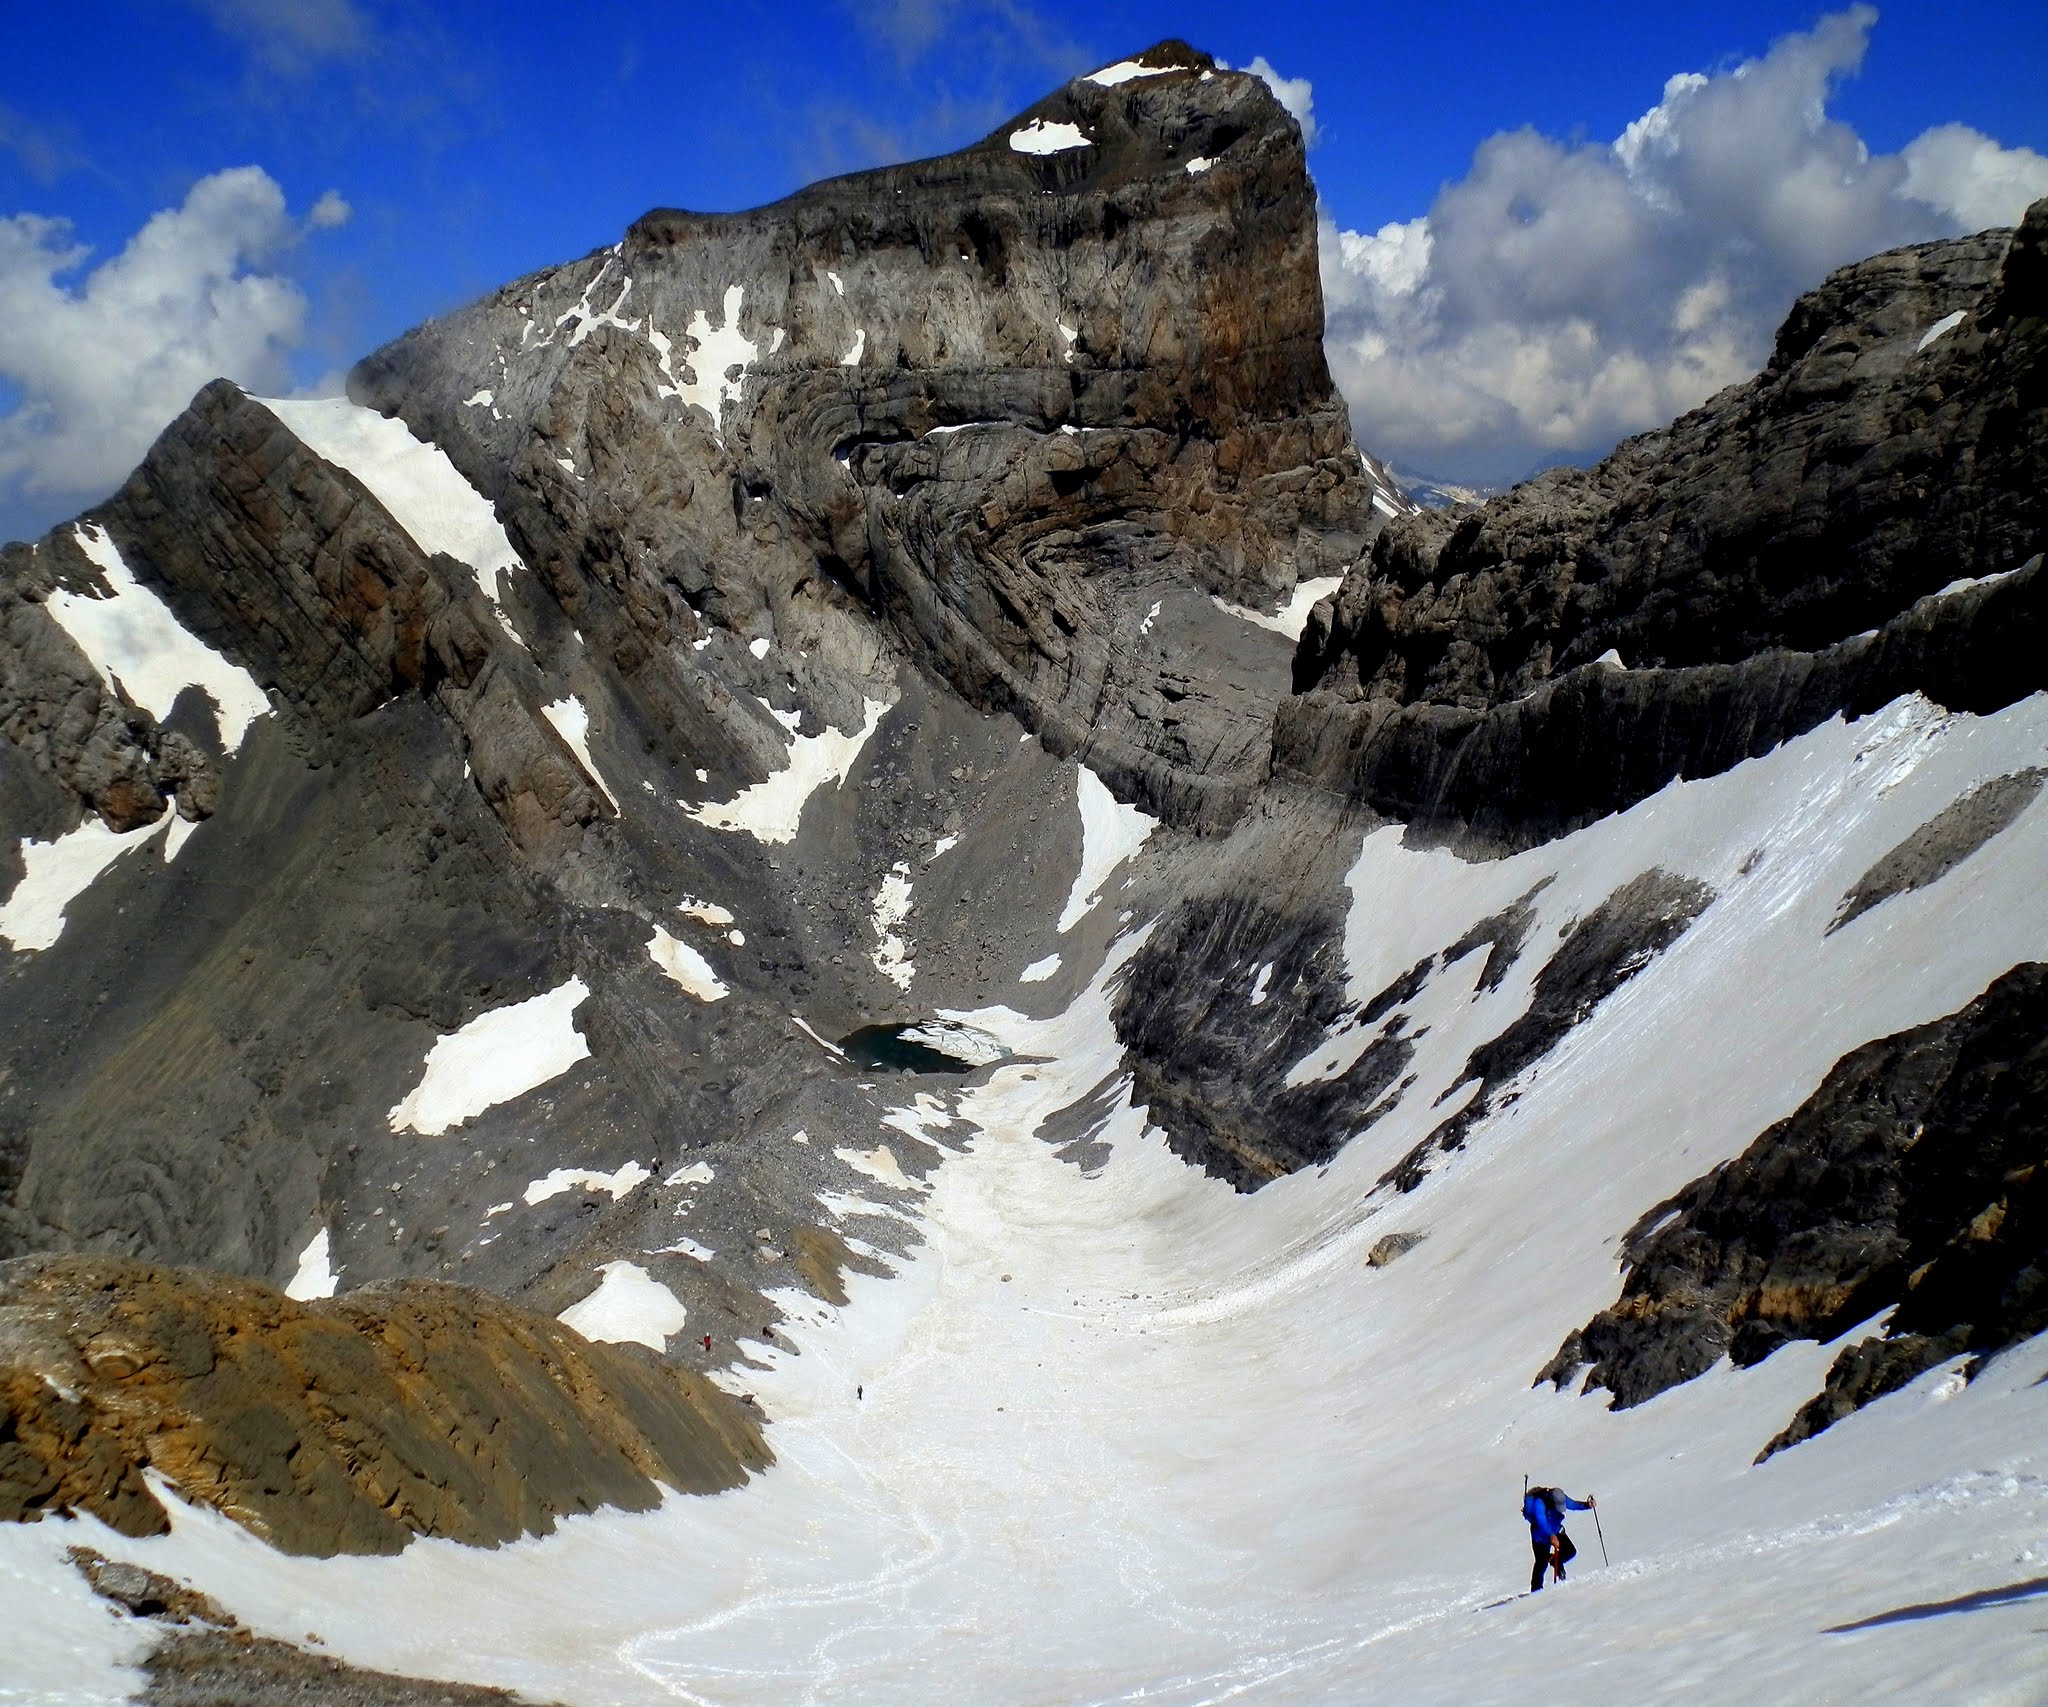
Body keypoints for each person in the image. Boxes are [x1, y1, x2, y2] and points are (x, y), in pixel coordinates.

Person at [1523, 1485, 1595, 1592]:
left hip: (1556, 1529)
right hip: (1540, 1536)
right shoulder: (1539, 1503)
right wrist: (1551, 1535)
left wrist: (1587, 1505)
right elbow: (1541, 1521)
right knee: (1541, 1563)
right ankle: (1536, 1590)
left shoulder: (1560, 1497)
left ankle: (1553, 1560)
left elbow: (1572, 1504)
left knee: (1570, 1552)